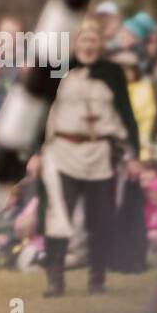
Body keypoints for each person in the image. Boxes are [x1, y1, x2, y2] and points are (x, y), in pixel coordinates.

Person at [39, 23, 139, 297]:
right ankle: (55, 280)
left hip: (99, 156)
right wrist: (35, 152)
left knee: (101, 220)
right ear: (75, 43)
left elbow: (125, 115)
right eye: (83, 40)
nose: (88, 45)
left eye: (93, 40)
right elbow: (41, 111)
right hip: (63, 153)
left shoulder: (112, 73)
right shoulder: (57, 69)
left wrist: (133, 154)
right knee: (59, 216)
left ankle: (97, 280)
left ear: (100, 44)